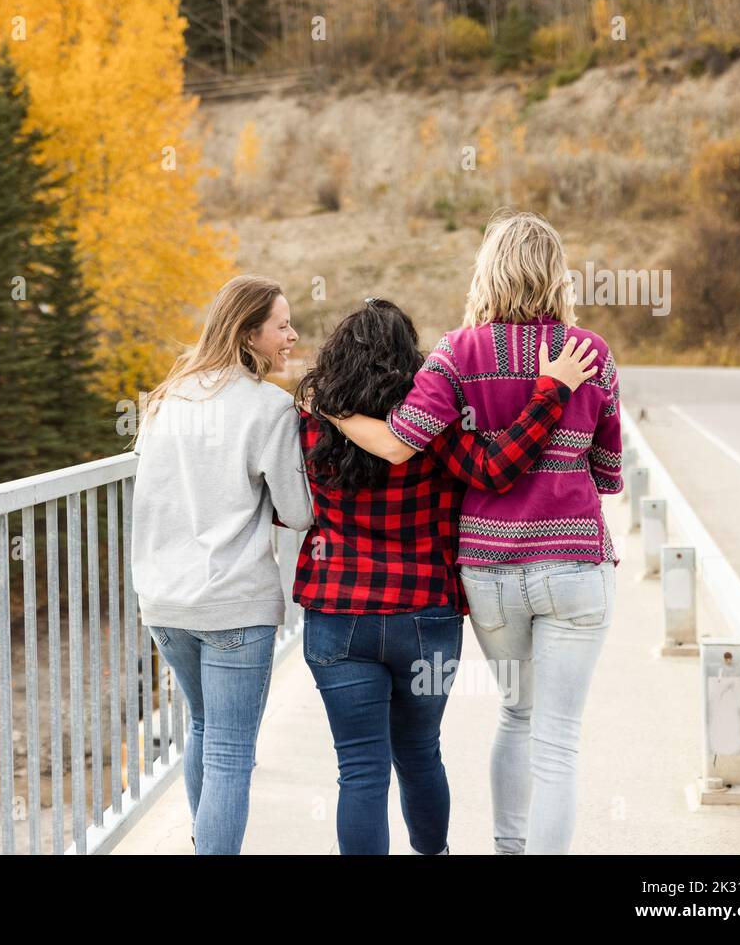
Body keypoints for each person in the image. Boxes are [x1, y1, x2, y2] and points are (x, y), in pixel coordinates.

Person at [333, 210, 622, 854]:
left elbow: (404, 440)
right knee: (558, 736)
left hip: (488, 569)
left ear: (487, 271)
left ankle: (506, 847)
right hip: (574, 562)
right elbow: (607, 472)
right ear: (556, 273)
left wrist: (332, 406)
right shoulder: (590, 353)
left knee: (516, 714)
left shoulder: (455, 353)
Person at [131, 274, 313, 855]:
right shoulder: (269, 407)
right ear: (249, 331)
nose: (292, 335)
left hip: (165, 600)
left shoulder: (167, 398)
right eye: (281, 325)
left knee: (203, 731)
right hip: (234, 602)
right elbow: (299, 511)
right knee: (231, 753)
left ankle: (200, 840)